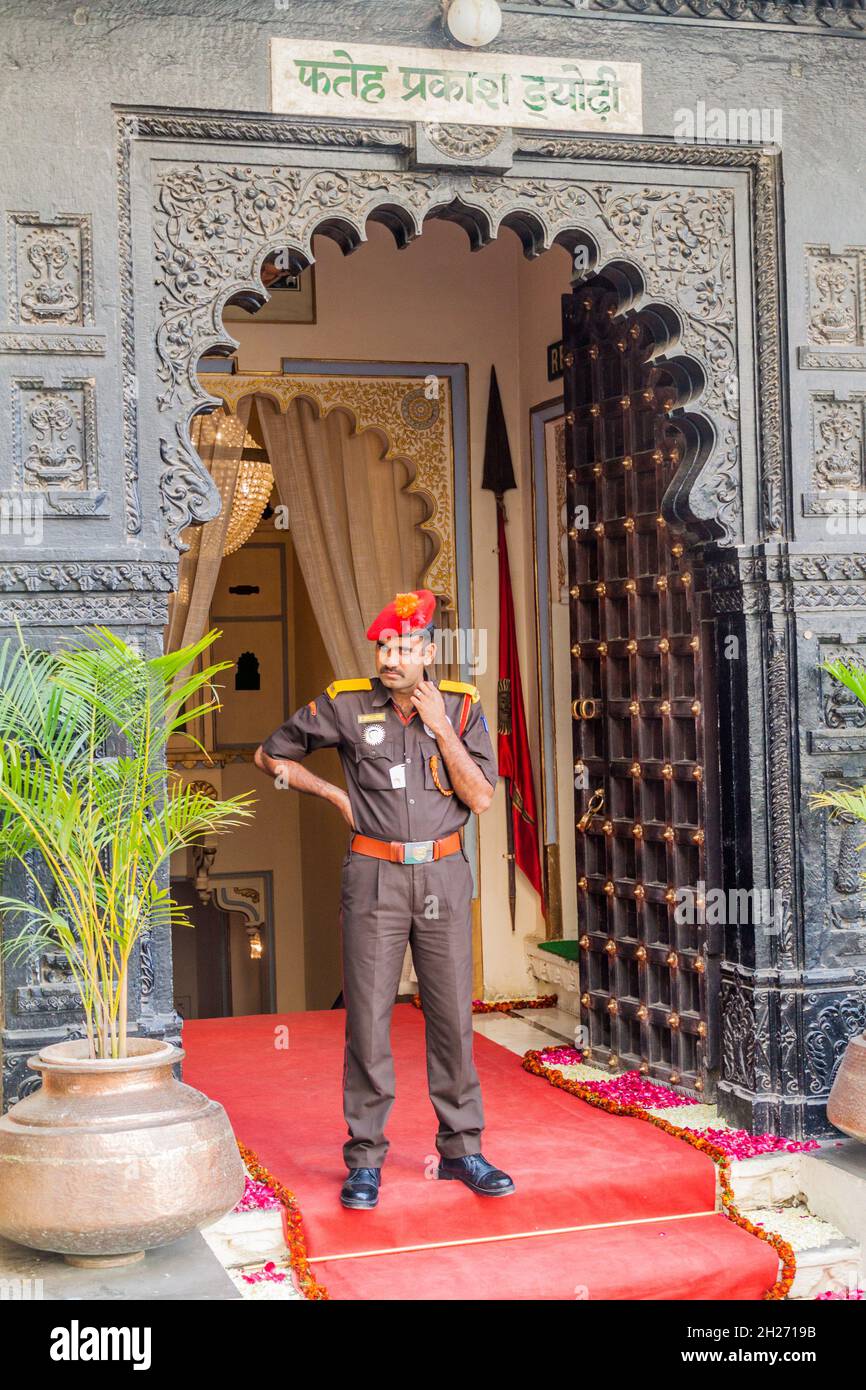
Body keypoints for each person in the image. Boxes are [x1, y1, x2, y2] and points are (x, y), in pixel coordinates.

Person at [254, 588, 515, 1209]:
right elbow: (270, 755)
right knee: (368, 1017)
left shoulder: (461, 706)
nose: (390, 658)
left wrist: (440, 727)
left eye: (403, 648)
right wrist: (333, 795)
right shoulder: (346, 706)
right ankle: (365, 1158)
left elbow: (479, 799)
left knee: (451, 1012)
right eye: (383, 648)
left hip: (444, 874)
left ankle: (462, 1149)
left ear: (429, 650)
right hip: (373, 877)